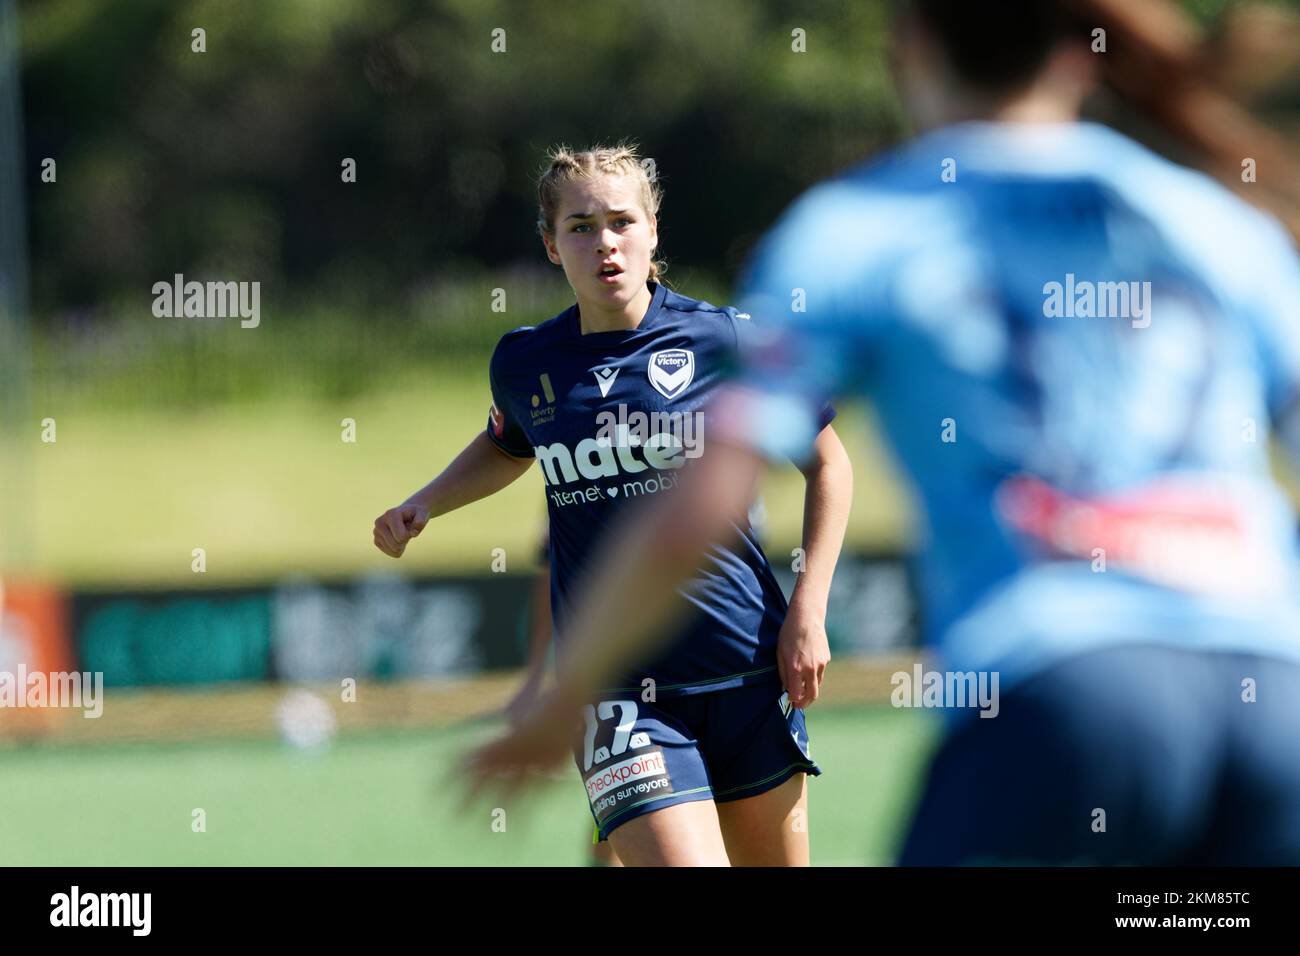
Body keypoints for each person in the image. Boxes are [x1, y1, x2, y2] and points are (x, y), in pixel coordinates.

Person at [465, 0, 1300, 866]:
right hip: (1273, 693)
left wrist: (564, 695)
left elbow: (696, 507)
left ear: (910, 47)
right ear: (1080, 53)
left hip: (1062, 693)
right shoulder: (1211, 216)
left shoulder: (859, 229)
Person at [375, 144, 853, 866]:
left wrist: (809, 612)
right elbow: (508, 445)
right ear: (549, 243)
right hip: (617, 693)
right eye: (580, 226)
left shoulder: (724, 339)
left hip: (749, 673)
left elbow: (828, 464)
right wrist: (426, 503)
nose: (604, 242)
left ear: (654, 229)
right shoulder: (526, 362)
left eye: (622, 221)